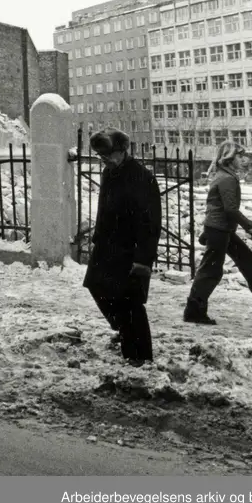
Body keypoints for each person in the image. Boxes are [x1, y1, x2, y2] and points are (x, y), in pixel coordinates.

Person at [184, 141, 252, 325]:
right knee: (211, 271)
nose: (244, 159)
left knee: (251, 263)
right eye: (240, 155)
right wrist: (251, 228)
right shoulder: (226, 179)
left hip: (221, 230)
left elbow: (214, 205)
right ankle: (193, 311)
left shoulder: (225, 176)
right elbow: (230, 210)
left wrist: (208, 229)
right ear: (229, 158)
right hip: (220, 231)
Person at [83, 129, 162, 366]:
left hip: (131, 250)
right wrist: (98, 237)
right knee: (96, 286)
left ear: (122, 151)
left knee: (130, 303)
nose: (104, 159)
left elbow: (151, 222)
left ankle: (140, 357)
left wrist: (143, 259)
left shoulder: (141, 177)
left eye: (108, 154)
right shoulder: (110, 172)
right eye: (100, 155)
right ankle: (122, 329)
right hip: (107, 246)